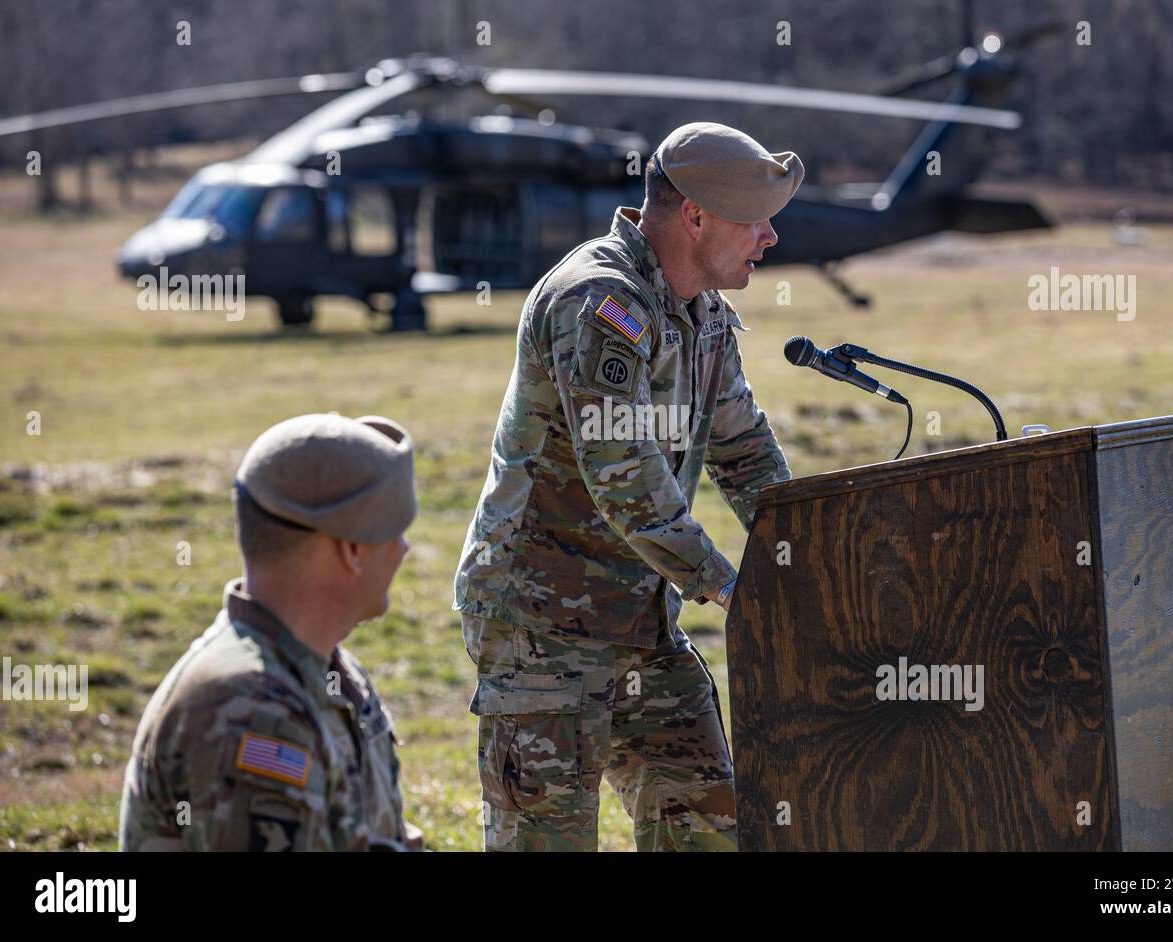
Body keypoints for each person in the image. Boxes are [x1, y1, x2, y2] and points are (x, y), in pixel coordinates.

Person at [454, 122, 802, 851]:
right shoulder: (600, 304)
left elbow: (744, 452)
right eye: (752, 219)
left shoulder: (704, 313)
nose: (769, 238)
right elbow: (624, 478)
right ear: (695, 217)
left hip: (638, 619)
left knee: (706, 821)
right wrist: (728, 586)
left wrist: (810, 554)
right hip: (540, 627)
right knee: (547, 840)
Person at [120, 413, 424, 851]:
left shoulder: (333, 675)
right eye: (396, 531)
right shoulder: (252, 711)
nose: (405, 549)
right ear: (353, 550)